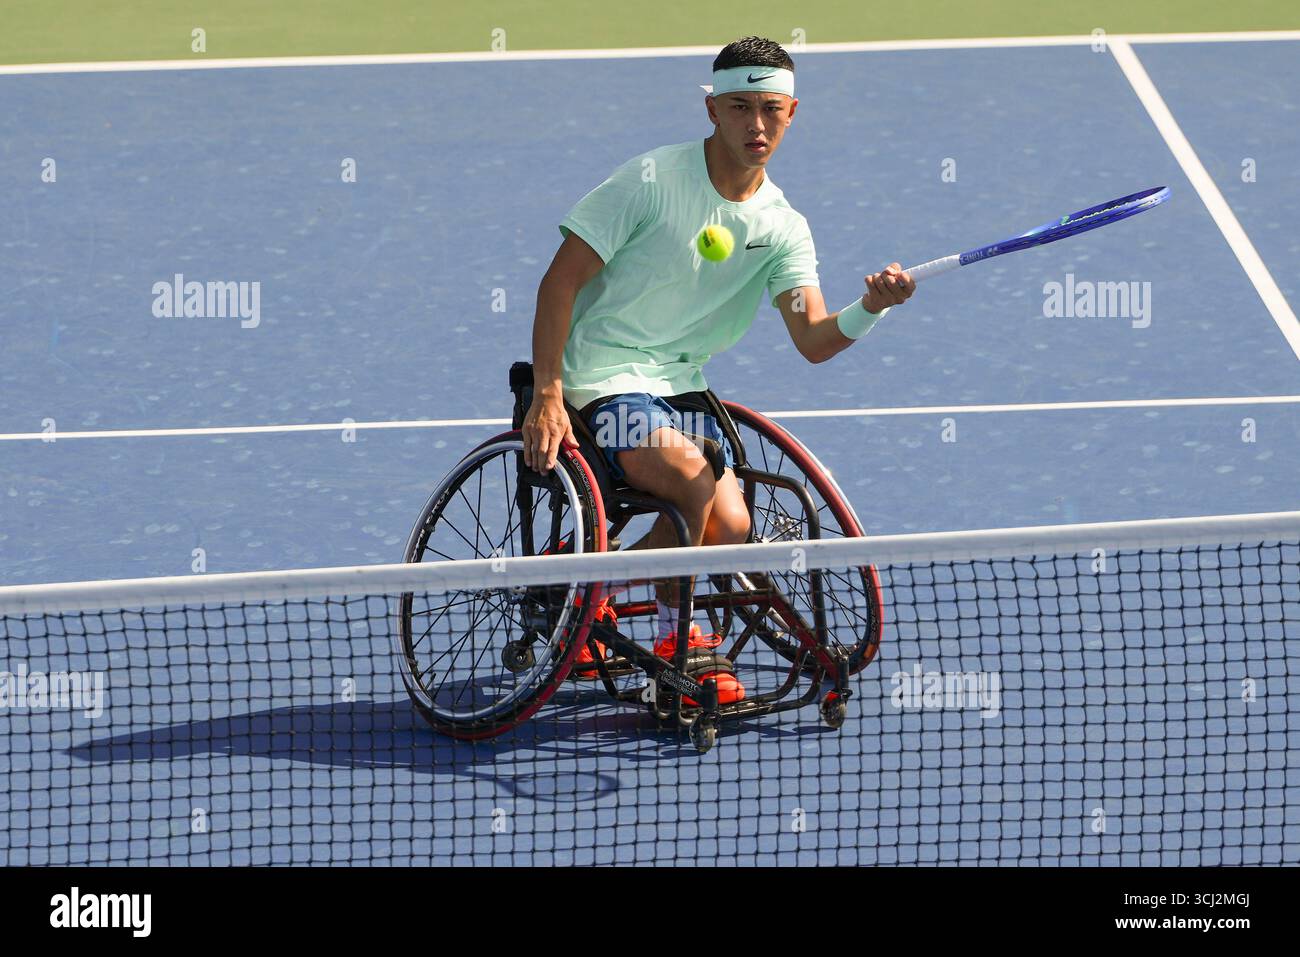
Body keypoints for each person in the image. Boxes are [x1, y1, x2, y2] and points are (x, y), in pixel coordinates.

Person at [521, 36, 916, 699]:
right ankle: (676, 637)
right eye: (739, 108)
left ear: (793, 112)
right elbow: (558, 284)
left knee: (729, 527)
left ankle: (585, 590)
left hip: (683, 391)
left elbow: (815, 338)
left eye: (770, 109)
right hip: (603, 381)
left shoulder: (784, 227)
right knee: (691, 478)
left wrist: (871, 307)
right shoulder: (648, 182)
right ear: (712, 111)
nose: (755, 125)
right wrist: (548, 392)